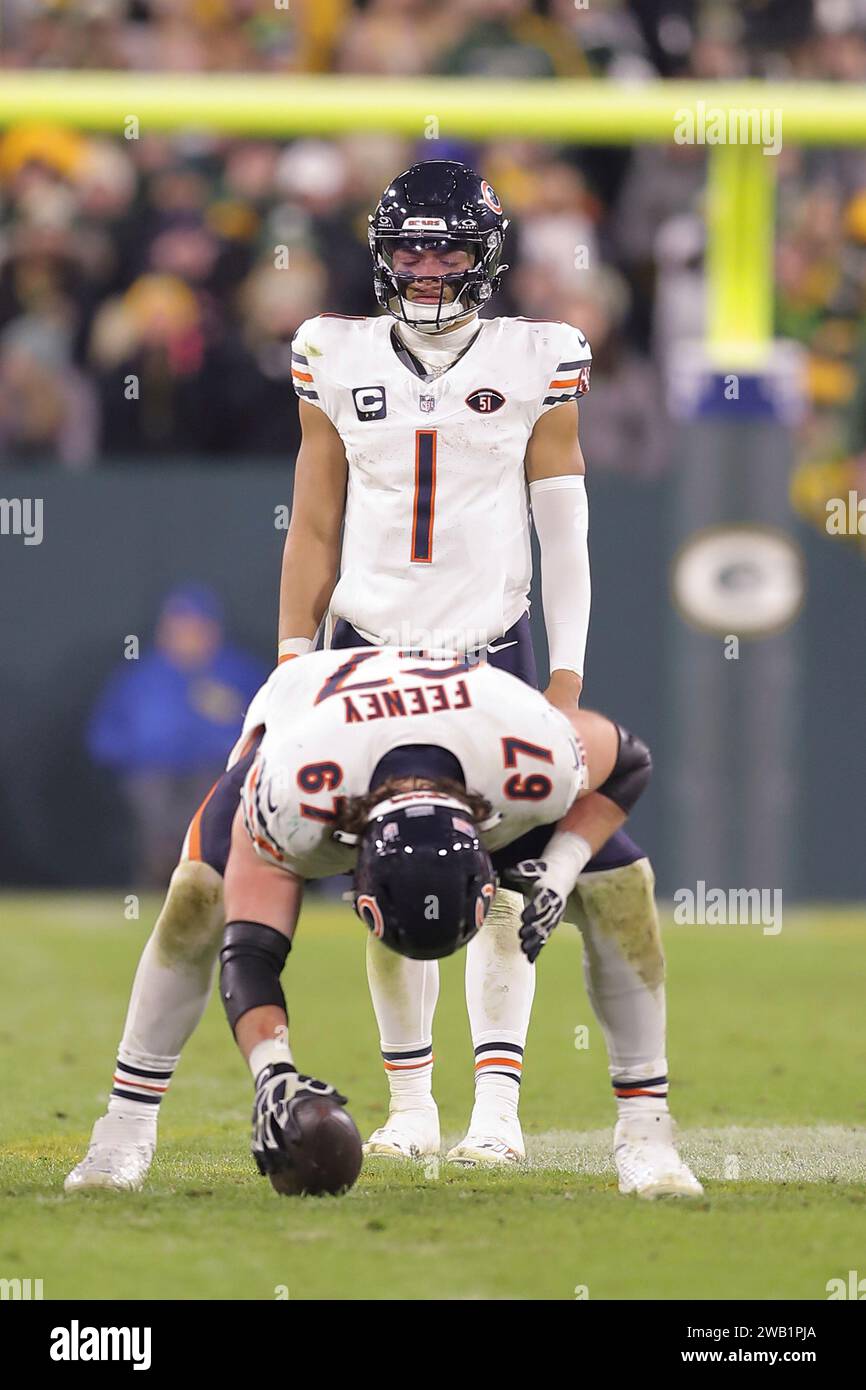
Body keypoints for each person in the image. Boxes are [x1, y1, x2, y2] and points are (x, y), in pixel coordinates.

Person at [65, 162, 684, 1195]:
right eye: (410, 247)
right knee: (216, 886)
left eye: (448, 247)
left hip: (489, 657)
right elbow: (312, 520)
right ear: (379, 255)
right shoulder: (330, 348)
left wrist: (565, 684)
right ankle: (141, 1130)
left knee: (591, 883)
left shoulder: (542, 355)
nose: (428, 266)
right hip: (356, 659)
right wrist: (290, 666)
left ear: (485, 256)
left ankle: (586, 1123)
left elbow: (562, 532)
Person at [213, 646, 700, 1198]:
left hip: (480, 676)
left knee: (620, 886)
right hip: (335, 691)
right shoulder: (291, 794)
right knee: (196, 898)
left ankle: (636, 1132)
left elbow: (628, 759)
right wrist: (271, 1070)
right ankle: (126, 1127)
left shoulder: (525, 747)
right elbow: (249, 948)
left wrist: (564, 864)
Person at [87, 584, 267, 885]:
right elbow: (103, 736)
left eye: (197, 627)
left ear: (214, 630)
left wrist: (231, 725)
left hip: (217, 774)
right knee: (157, 815)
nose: (188, 635)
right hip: (152, 777)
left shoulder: (239, 673)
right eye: (180, 627)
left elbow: (269, 726)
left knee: (210, 811)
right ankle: (156, 886)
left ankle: (215, 885)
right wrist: (137, 757)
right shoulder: (139, 677)